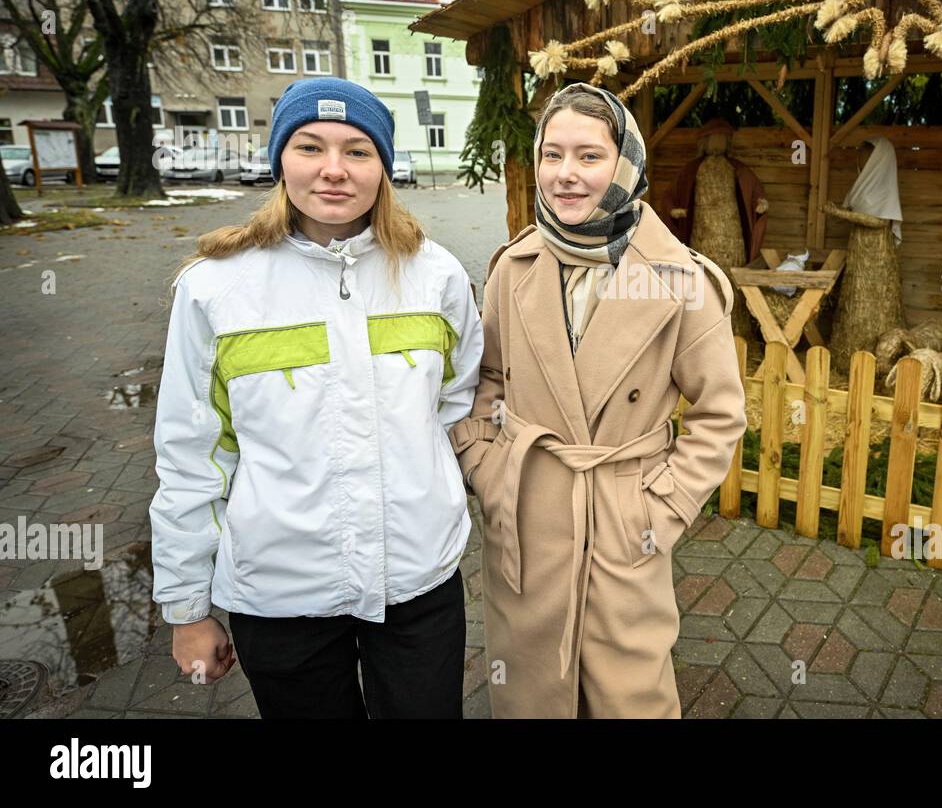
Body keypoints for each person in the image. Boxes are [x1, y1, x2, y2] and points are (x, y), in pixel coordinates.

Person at [149, 77, 483, 718]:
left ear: (383, 165)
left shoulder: (434, 275)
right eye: (310, 147)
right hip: (280, 595)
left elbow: (454, 401)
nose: (334, 170)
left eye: (358, 150)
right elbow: (191, 455)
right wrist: (188, 609)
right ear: (280, 160)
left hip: (416, 581)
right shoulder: (214, 289)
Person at [450, 82, 747, 718]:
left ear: (625, 163)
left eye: (588, 156)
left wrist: (659, 507)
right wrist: (489, 467)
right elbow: (490, 380)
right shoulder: (513, 266)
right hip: (529, 505)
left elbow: (719, 416)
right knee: (531, 685)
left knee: (628, 690)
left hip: (623, 509)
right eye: (552, 155)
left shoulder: (683, 279)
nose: (566, 175)